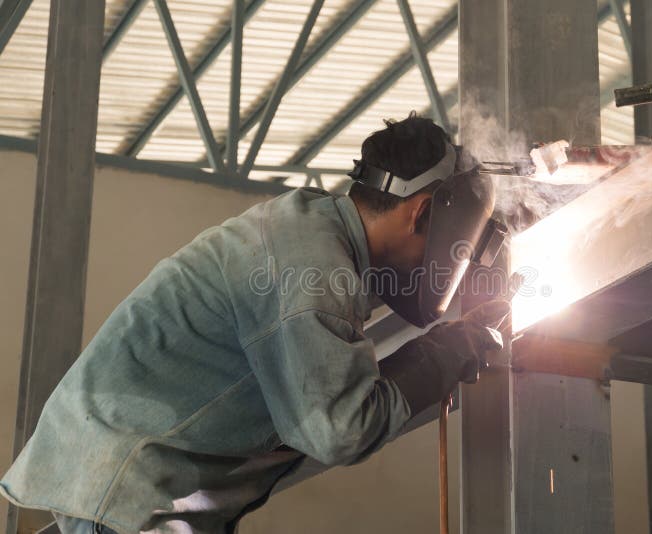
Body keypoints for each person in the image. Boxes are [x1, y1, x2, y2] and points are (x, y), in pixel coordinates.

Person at [1, 113, 509, 534]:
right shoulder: (312, 267)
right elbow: (340, 429)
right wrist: (446, 352)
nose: (442, 268)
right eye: (445, 248)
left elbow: (359, 296)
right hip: (132, 491)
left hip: (120, 484)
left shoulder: (310, 227)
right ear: (420, 214)